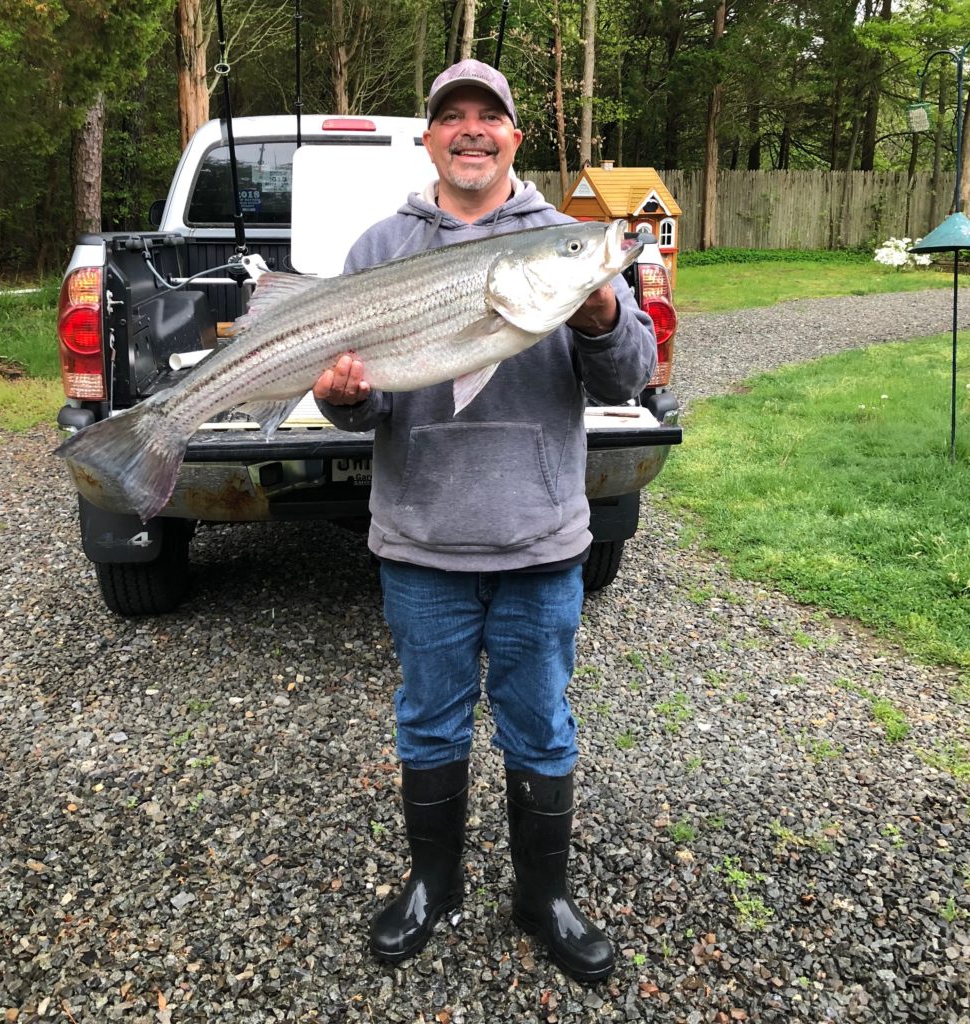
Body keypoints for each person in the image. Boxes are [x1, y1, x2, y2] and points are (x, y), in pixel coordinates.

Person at [312, 59, 657, 983]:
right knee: (429, 723)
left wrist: (599, 310)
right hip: (421, 543)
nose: (471, 130)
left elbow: (628, 380)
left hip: (539, 542)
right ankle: (435, 882)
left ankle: (542, 894)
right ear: (427, 137)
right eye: (451, 117)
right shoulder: (382, 247)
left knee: (540, 724)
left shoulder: (564, 241)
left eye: (489, 118)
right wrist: (340, 398)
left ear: (514, 137)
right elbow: (367, 408)